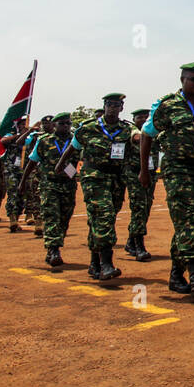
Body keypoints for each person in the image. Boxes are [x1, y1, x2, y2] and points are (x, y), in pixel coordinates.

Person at [141, 63, 194, 297]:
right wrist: (144, 170)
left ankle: (176, 275)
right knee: (187, 220)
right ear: (182, 79)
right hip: (177, 168)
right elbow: (147, 135)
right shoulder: (167, 105)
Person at [60, 94, 133, 281]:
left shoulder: (126, 129)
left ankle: (94, 262)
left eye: (117, 105)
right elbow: (72, 150)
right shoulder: (88, 128)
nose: (113, 108)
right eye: (109, 104)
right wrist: (62, 167)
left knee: (100, 219)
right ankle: (107, 264)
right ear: (104, 106)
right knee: (105, 215)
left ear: (122, 108)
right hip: (94, 177)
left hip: (116, 178)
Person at [23, 113, 78, 268]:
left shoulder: (76, 140)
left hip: (69, 185)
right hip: (49, 185)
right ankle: (54, 251)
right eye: (62, 123)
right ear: (55, 125)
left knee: (64, 219)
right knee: (52, 216)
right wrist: (23, 182)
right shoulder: (44, 141)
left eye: (68, 123)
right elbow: (32, 162)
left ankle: (54, 247)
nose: (65, 126)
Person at [123, 109, 155, 260]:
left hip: (150, 173)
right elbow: (136, 137)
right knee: (139, 207)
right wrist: (147, 136)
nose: (142, 119)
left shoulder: (154, 128)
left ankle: (130, 241)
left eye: (145, 117)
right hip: (135, 173)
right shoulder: (131, 129)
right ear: (134, 119)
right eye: (139, 117)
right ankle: (139, 244)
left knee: (146, 207)